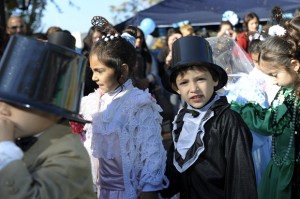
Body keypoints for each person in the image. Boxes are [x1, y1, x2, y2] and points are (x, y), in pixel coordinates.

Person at [78, 16, 167, 199]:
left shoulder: (138, 103)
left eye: (100, 71)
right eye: (92, 71)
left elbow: (152, 152)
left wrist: (149, 189)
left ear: (123, 70)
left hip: (128, 192)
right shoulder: (90, 102)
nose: (94, 78)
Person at [160, 36, 257, 199]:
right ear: (176, 88)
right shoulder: (182, 120)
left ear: (215, 80)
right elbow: (175, 169)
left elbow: (241, 176)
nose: (193, 88)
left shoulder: (229, 120)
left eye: (200, 79)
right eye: (184, 83)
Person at [0, 34, 95, 198]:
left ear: (54, 110)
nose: (3, 109)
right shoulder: (17, 137)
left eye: (16, 103)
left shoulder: (70, 155)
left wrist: (5, 150)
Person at [231, 32, 300, 198]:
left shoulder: (293, 98)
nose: (273, 81)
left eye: (274, 74)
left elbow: (269, 123)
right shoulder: (287, 91)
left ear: (295, 65)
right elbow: (272, 116)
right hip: (281, 165)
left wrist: (240, 108)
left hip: (292, 174)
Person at [81, 26, 103, 96]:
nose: (98, 40)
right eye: (95, 38)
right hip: (89, 93)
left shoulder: (106, 54)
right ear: (90, 39)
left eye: (100, 37)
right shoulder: (85, 56)